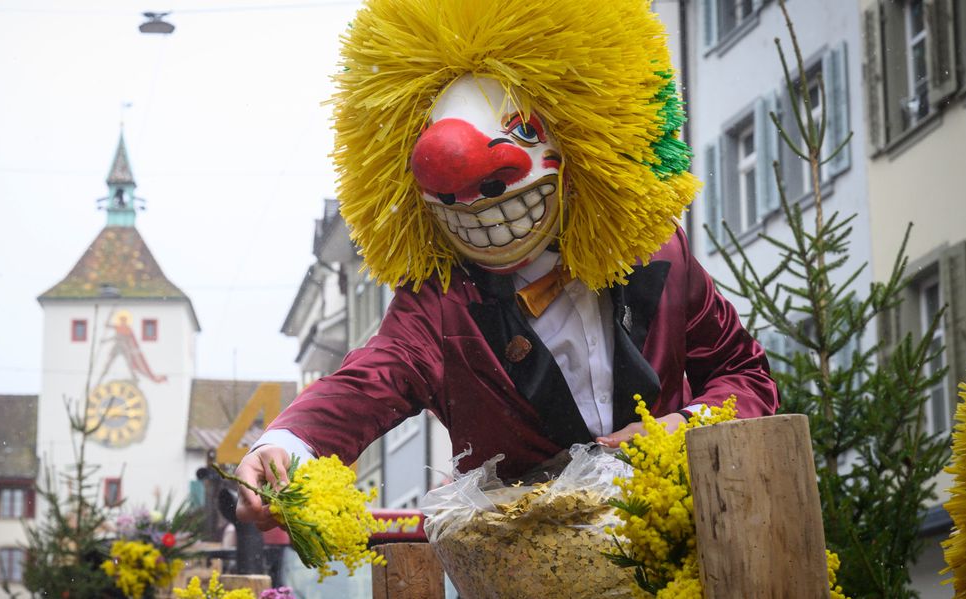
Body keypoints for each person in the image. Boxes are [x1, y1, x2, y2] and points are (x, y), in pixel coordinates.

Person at [235, 0, 778, 531]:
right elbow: (369, 379)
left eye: (521, 130)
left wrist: (681, 426)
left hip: (678, 553)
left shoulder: (660, 251)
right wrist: (284, 445)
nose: (459, 180)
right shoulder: (442, 303)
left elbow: (745, 375)